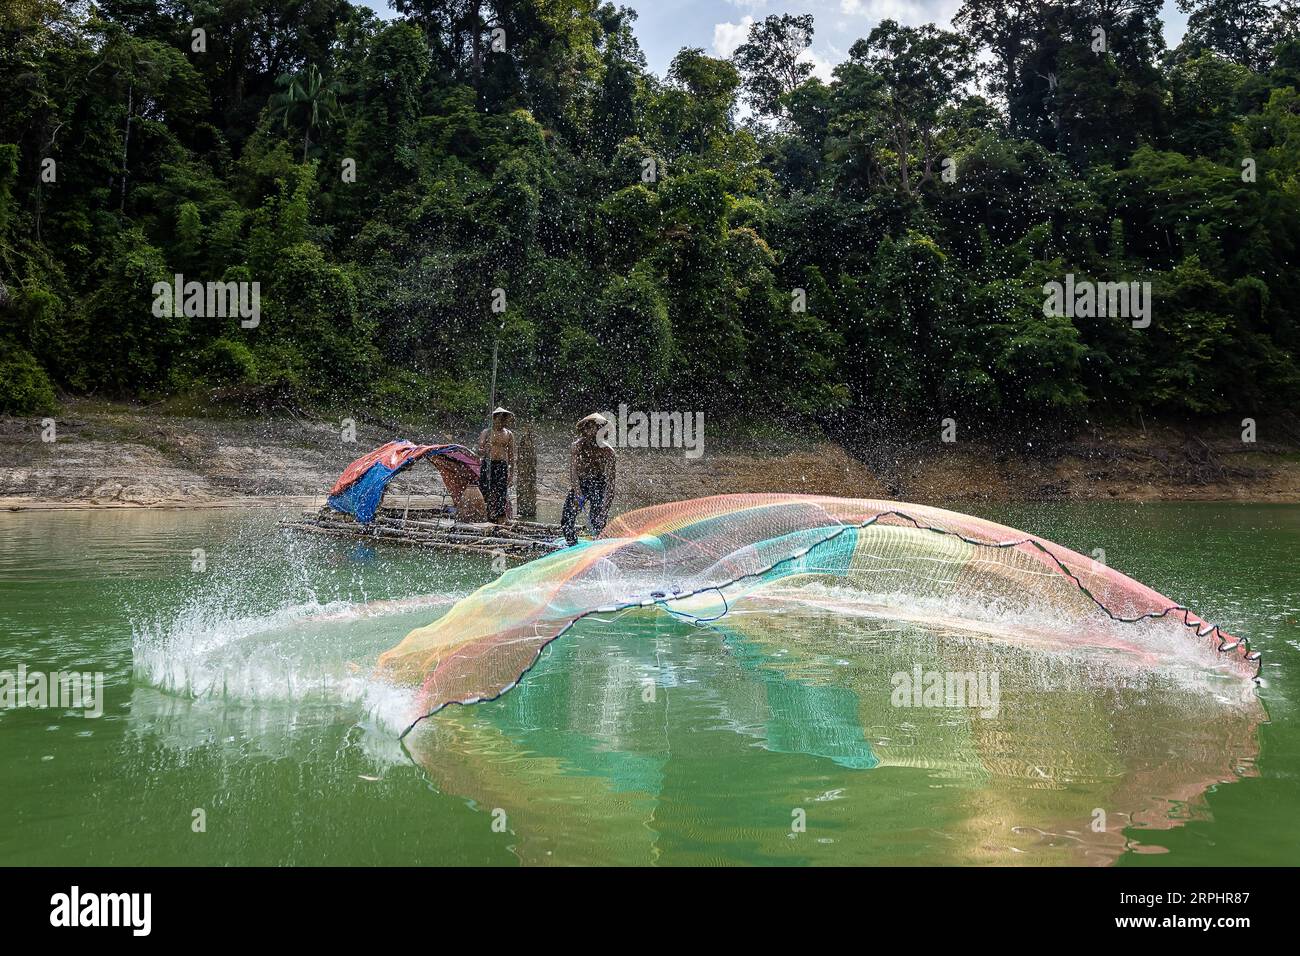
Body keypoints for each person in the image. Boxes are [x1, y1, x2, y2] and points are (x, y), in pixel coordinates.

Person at [561, 412, 616, 545]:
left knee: (598, 520)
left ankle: (598, 549)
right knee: (567, 519)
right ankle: (571, 543)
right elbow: (573, 471)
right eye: (590, 427)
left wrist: (605, 510)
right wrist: (578, 492)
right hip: (581, 482)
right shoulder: (578, 446)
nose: (593, 431)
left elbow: (610, 484)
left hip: (599, 483)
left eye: (598, 428)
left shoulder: (608, 452)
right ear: (584, 429)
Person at [477, 407, 515, 523]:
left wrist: (511, 473)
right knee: (485, 488)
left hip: (502, 465)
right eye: (499, 419)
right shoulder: (486, 432)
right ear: (494, 419)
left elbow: (511, 455)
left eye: (504, 419)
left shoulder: (508, 434)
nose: (501, 422)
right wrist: (485, 450)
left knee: (501, 491)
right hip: (488, 463)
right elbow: (479, 451)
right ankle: (485, 513)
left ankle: (499, 515)